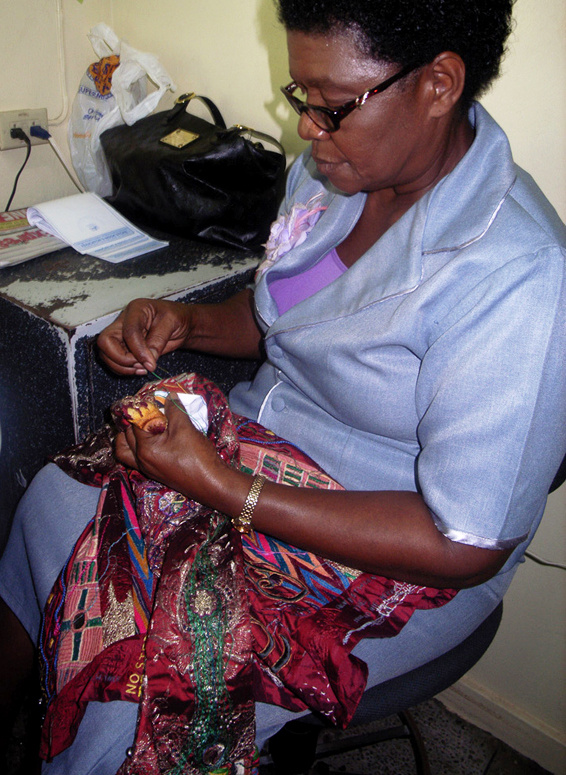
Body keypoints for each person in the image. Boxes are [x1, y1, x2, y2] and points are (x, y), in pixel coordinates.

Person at [2, 0, 566, 772]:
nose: (306, 128)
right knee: (57, 500)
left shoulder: (516, 271)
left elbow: (460, 542)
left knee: (144, 682)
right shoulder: (333, 172)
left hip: (393, 548)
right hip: (257, 454)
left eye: (332, 106)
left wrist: (228, 488)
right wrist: (180, 320)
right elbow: (280, 319)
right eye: (303, 98)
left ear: (439, 84)